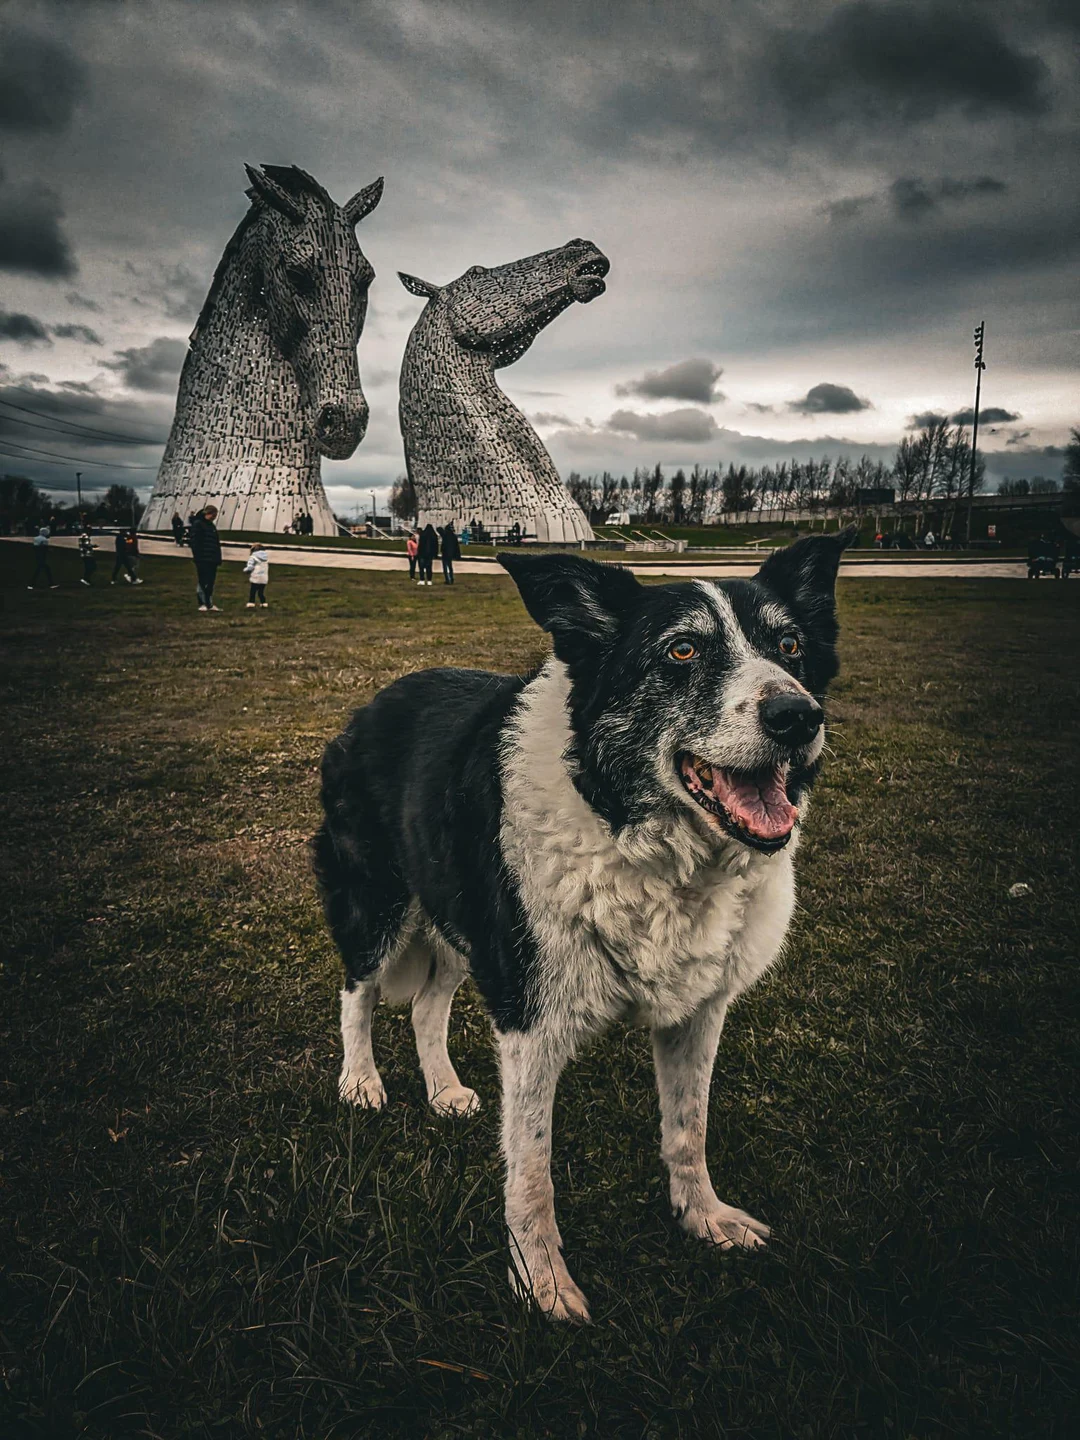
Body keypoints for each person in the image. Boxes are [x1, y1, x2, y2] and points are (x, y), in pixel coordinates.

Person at [189, 503, 223, 611]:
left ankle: (209, 604)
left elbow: (215, 543)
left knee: (210, 582)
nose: (214, 518)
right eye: (213, 515)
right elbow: (195, 542)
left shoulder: (211, 526)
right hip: (202, 558)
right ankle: (202, 603)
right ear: (208, 513)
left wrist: (217, 558)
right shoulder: (198, 524)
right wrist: (198, 556)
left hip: (212, 559)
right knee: (203, 581)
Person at [243, 543, 270, 607]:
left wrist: (245, 570)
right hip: (264, 578)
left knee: (253, 591)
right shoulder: (265, 558)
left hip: (256, 576)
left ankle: (251, 602)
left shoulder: (253, 557)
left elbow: (250, 567)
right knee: (261, 592)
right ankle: (263, 603)